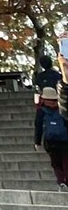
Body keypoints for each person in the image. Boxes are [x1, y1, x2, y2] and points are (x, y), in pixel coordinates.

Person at [35, 54, 68, 189]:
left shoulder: (41, 109)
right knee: (66, 160)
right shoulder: (57, 76)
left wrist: (37, 141)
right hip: (64, 137)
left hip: (50, 139)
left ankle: (61, 181)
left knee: (55, 162)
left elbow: (38, 125)